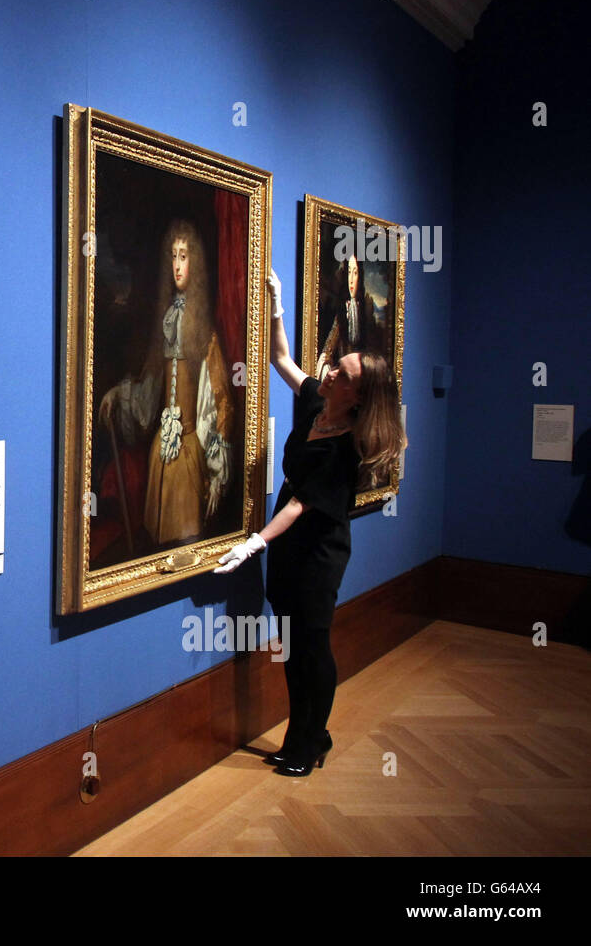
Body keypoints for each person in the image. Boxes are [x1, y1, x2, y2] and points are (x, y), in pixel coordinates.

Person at [215, 267, 405, 776]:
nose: (330, 372)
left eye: (341, 374)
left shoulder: (347, 447)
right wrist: (277, 306)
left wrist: (252, 544)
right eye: (335, 366)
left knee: (310, 648)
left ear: (357, 397)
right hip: (288, 542)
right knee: (292, 646)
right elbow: (282, 359)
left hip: (317, 552)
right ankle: (305, 734)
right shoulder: (318, 400)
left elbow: (300, 505)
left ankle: (308, 741)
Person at [98, 219, 235, 549]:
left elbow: (217, 403)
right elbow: (150, 388)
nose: (177, 265)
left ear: (195, 263)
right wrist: (119, 395)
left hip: (188, 452)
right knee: (155, 545)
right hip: (161, 452)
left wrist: (216, 470)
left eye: (184, 256)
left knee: (184, 544)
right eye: (173, 256)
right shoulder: (167, 321)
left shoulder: (206, 336)